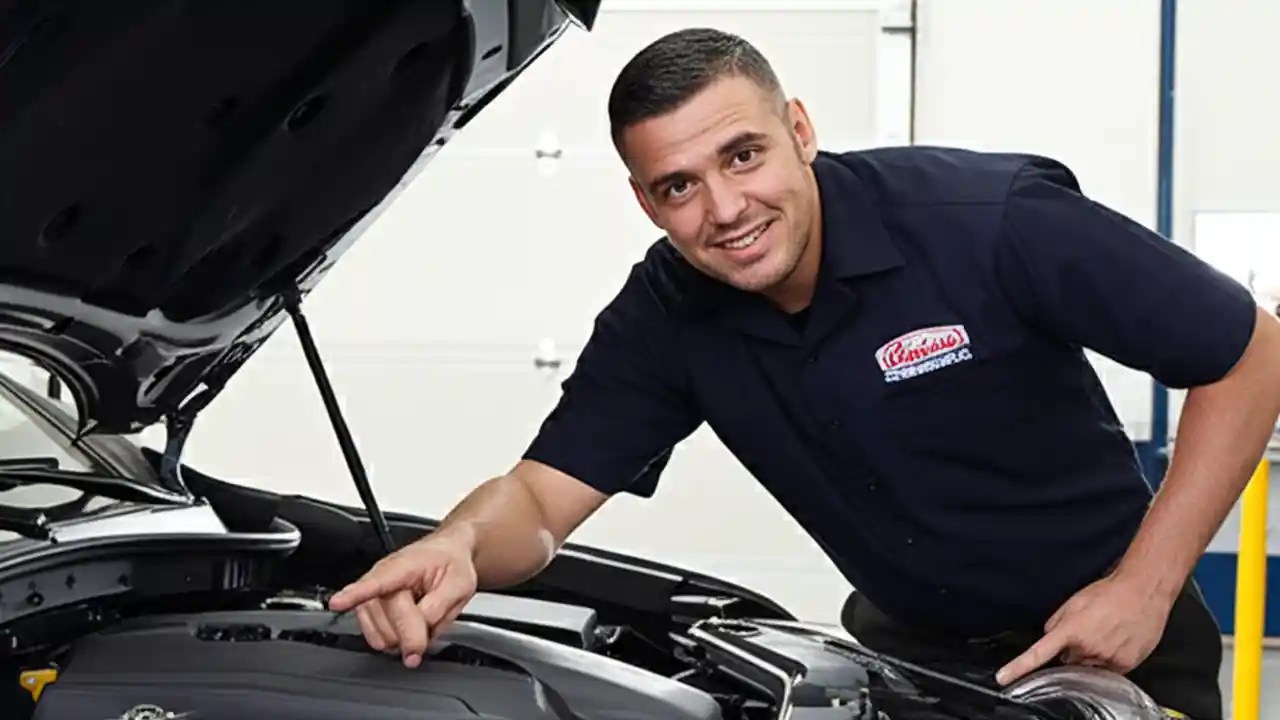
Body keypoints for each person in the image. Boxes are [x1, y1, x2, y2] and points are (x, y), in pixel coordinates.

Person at [328, 28, 1280, 719]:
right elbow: (538, 503)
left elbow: (1250, 351)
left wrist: (1147, 586)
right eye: (679, 186)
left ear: (799, 128)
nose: (726, 208)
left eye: (743, 155)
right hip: (914, 665)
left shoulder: (989, 221)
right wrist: (459, 544)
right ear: (643, 198)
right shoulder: (666, 315)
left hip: (1117, 650)